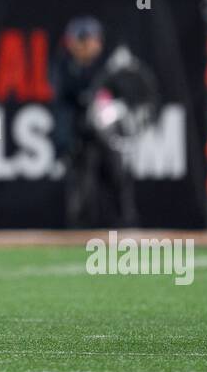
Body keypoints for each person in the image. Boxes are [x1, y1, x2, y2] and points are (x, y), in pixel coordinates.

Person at [51, 16, 157, 228]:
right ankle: (78, 240)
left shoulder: (113, 65)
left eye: (87, 40)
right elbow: (64, 110)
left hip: (109, 137)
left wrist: (115, 115)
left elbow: (135, 95)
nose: (82, 46)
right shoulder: (65, 69)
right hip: (82, 138)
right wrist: (64, 144)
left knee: (118, 186)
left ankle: (126, 236)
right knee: (82, 194)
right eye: (78, 41)